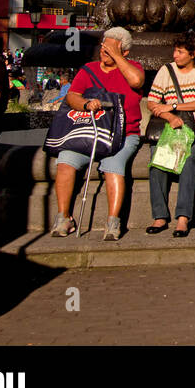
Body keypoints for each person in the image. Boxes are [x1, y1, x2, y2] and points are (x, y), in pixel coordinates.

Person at [52, 26, 144, 240]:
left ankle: (113, 221)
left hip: (123, 134)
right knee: (65, 161)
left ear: (125, 52)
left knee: (113, 166)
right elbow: (72, 96)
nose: (106, 52)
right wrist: (85, 104)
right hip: (88, 133)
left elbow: (137, 82)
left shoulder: (134, 67)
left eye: (111, 49)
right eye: (104, 47)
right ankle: (63, 217)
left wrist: (117, 56)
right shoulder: (88, 69)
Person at [144, 31, 195, 238]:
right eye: (175, 51)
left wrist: (172, 106)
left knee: (189, 163)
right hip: (169, 130)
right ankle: (159, 216)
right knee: (157, 164)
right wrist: (170, 117)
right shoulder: (166, 70)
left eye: (180, 52)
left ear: (193, 54)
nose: (175, 55)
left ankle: (183, 218)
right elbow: (151, 103)